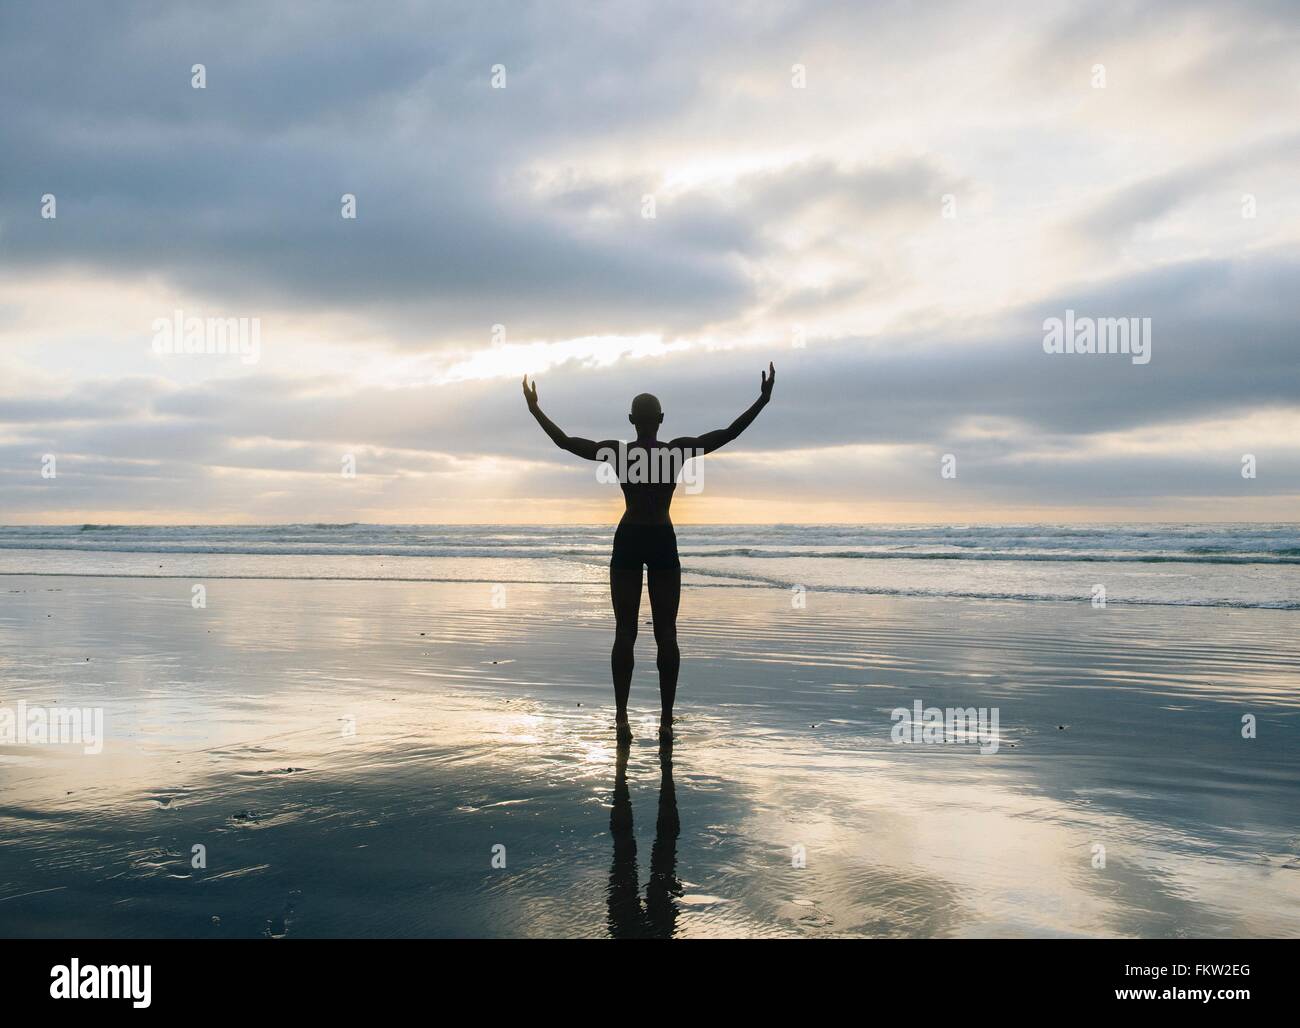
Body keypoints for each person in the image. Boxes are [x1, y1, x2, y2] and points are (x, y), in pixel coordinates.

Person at [522, 363, 775, 742]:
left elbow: (566, 442)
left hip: (628, 539)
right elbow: (727, 434)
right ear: (661, 419)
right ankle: (666, 722)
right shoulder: (676, 452)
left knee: (624, 631)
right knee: (666, 632)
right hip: (661, 538)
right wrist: (762, 399)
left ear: (630, 420)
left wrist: (535, 409)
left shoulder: (618, 454)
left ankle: (622, 718)